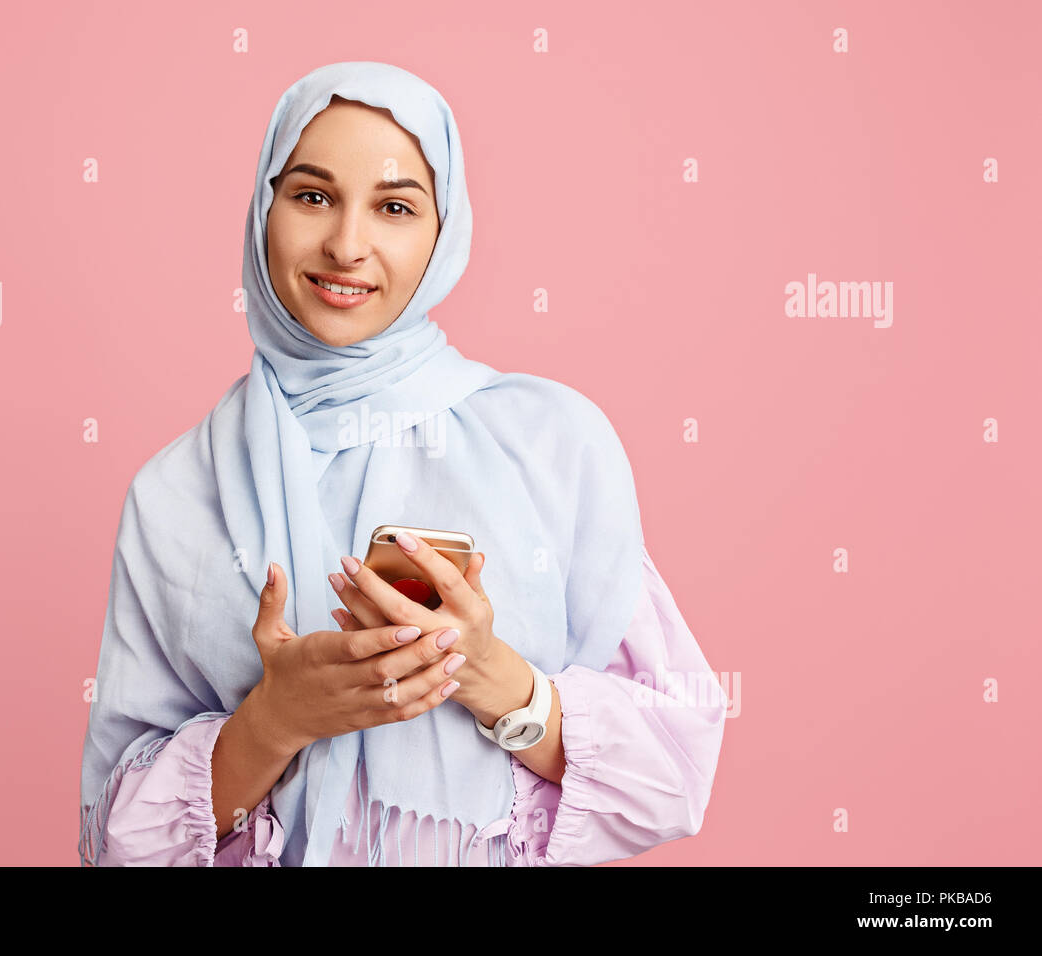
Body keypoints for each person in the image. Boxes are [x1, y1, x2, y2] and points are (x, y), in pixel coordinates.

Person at [78, 61, 727, 867]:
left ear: (443, 229)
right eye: (312, 196)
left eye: (394, 207)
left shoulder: (549, 442)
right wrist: (276, 720)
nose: (347, 246)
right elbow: (114, 843)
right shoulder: (177, 493)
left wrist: (495, 679)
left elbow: (674, 771)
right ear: (263, 209)